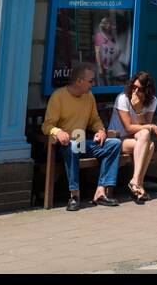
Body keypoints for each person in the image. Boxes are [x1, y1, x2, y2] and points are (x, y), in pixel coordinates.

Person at [41, 62, 122, 210]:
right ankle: (74, 195)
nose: (93, 84)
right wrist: (58, 132)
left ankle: (100, 192)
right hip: (63, 146)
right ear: (79, 81)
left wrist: (101, 130)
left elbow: (95, 120)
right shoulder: (58, 97)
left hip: (82, 142)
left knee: (115, 143)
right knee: (73, 146)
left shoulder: (89, 96)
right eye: (90, 81)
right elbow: (47, 125)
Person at [108, 71, 157, 203]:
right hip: (117, 139)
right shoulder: (123, 98)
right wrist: (151, 127)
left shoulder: (152, 101)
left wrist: (138, 110)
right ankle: (139, 183)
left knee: (147, 139)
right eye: (133, 87)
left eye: (139, 89)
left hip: (136, 140)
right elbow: (128, 127)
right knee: (148, 143)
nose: (135, 91)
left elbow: (145, 125)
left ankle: (135, 182)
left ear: (147, 91)